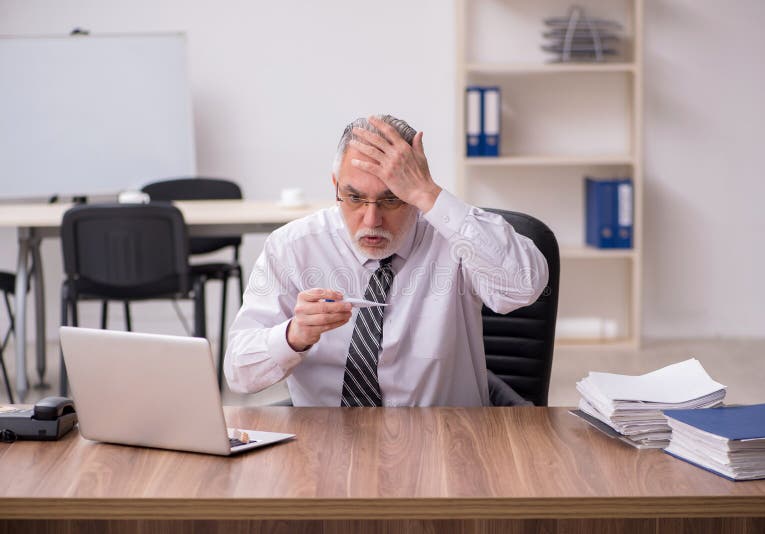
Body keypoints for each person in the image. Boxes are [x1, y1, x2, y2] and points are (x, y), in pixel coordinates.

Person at [224, 114, 548, 406]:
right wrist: (293, 335)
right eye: (354, 197)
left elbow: (523, 286)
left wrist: (429, 194)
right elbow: (239, 374)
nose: (371, 220)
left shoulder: (451, 239)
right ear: (335, 186)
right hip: (328, 440)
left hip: (441, 438)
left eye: (391, 199)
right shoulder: (292, 247)